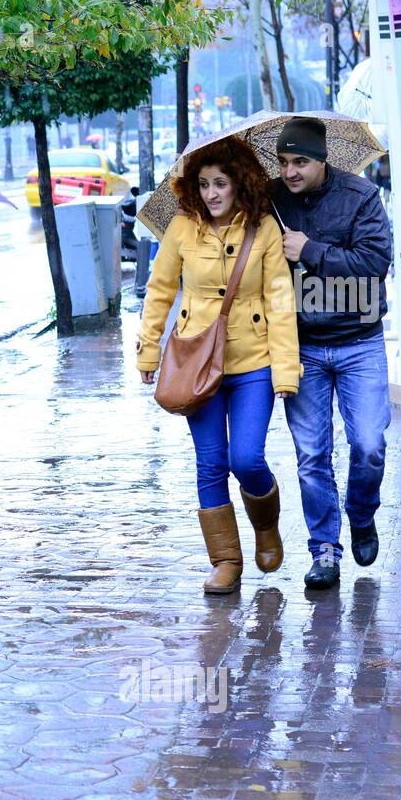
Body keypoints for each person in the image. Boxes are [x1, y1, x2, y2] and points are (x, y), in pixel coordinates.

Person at [136, 136, 301, 594]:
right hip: (196, 362)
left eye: (220, 183)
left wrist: (285, 370)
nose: (211, 193)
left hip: (254, 362)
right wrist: (149, 352)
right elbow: (160, 291)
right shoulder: (182, 229)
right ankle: (226, 560)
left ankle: (266, 527)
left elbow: (281, 302)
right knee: (210, 463)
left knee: (246, 458)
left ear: (239, 184)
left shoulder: (264, 228)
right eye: (204, 184)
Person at [269, 116, 394, 589]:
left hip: (359, 341)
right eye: (283, 162)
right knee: (311, 455)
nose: (290, 171)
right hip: (301, 345)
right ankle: (324, 550)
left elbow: (374, 264)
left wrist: (310, 250)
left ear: (323, 159)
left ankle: (361, 513)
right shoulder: (272, 200)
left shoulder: (360, 197)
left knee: (368, 445)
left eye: (300, 161)